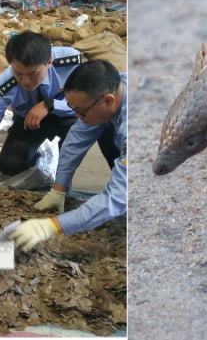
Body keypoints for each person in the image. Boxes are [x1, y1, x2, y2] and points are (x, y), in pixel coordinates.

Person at [0, 30, 117, 202]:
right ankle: (39, 157)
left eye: (33, 74)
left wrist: (50, 105)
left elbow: (90, 101)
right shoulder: (3, 86)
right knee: (9, 164)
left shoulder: (70, 62)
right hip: (30, 123)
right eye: (18, 74)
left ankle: (86, 183)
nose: (25, 81)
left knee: (103, 124)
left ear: (49, 62)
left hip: (69, 115)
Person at [9, 60, 126, 251]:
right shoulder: (115, 88)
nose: (77, 117)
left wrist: (52, 226)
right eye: (73, 109)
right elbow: (76, 140)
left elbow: (117, 198)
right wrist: (59, 188)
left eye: (80, 111)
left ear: (108, 100)